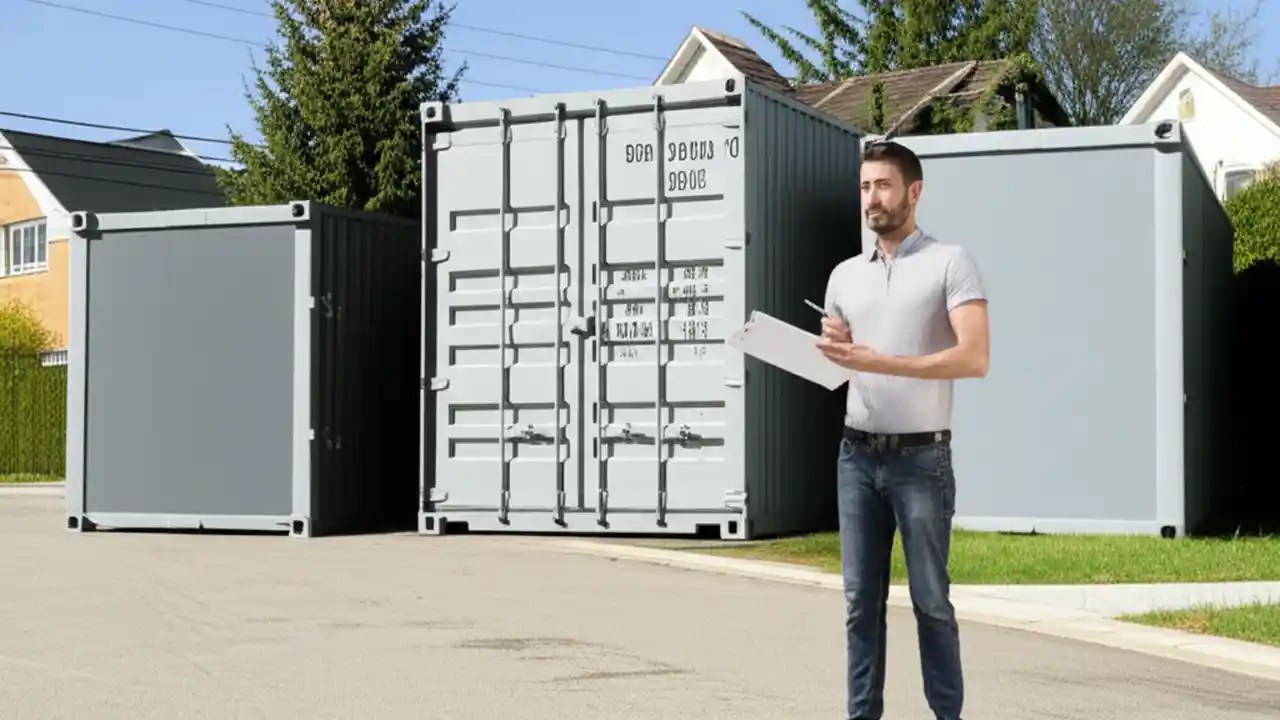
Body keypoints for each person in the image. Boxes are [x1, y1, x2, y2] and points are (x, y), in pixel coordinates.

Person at [816, 139, 990, 720]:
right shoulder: (844, 275)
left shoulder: (950, 263)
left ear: (914, 192)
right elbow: (840, 360)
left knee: (931, 603)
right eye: (865, 187)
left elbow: (974, 358)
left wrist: (879, 360)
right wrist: (823, 353)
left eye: (883, 186)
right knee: (859, 605)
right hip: (857, 458)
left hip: (922, 462)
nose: (872, 198)